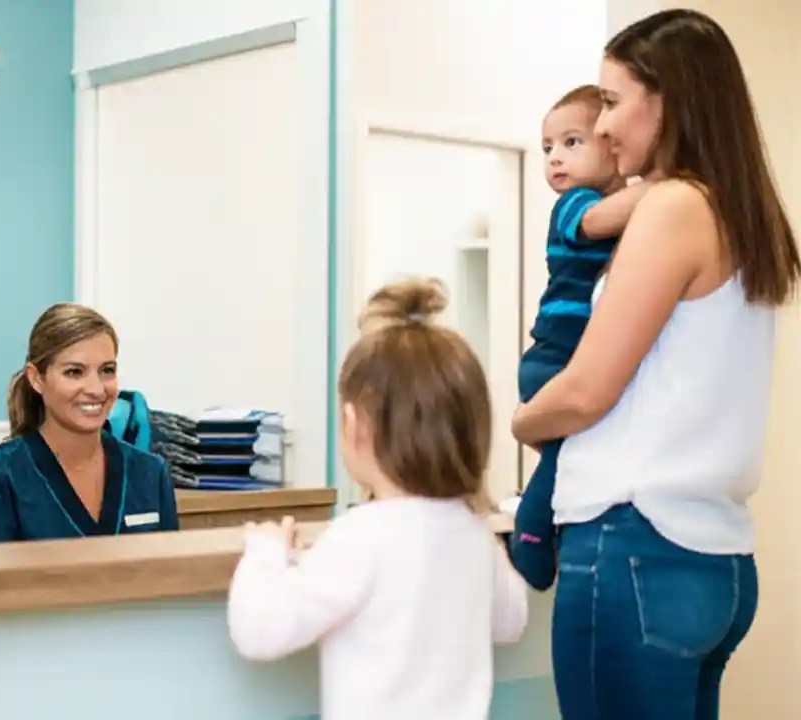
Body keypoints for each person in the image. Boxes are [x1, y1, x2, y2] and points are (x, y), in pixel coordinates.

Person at [511, 9, 800, 719]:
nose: (602, 127)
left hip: (633, 546)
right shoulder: (740, 211)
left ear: (666, 97)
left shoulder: (672, 207)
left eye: (611, 101)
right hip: (717, 564)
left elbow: (585, 392)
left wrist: (524, 420)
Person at [226, 279, 529, 720]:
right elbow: (511, 621)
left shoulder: (361, 535)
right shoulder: (474, 533)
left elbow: (260, 632)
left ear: (353, 422)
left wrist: (266, 553)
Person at [508, 84, 651, 591]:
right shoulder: (575, 206)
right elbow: (600, 220)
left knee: (568, 453)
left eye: (571, 142)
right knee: (566, 452)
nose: (554, 159)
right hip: (555, 356)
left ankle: (540, 530)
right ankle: (530, 534)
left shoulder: (619, 204)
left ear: (612, 149)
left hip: (566, 355)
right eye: (548, 147)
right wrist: (669, 184)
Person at [0, 303, 179, 543]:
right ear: (36, 378)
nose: (96, 389)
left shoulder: (150, 474)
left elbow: (171, 576)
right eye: (74, 372)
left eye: (107, 370)